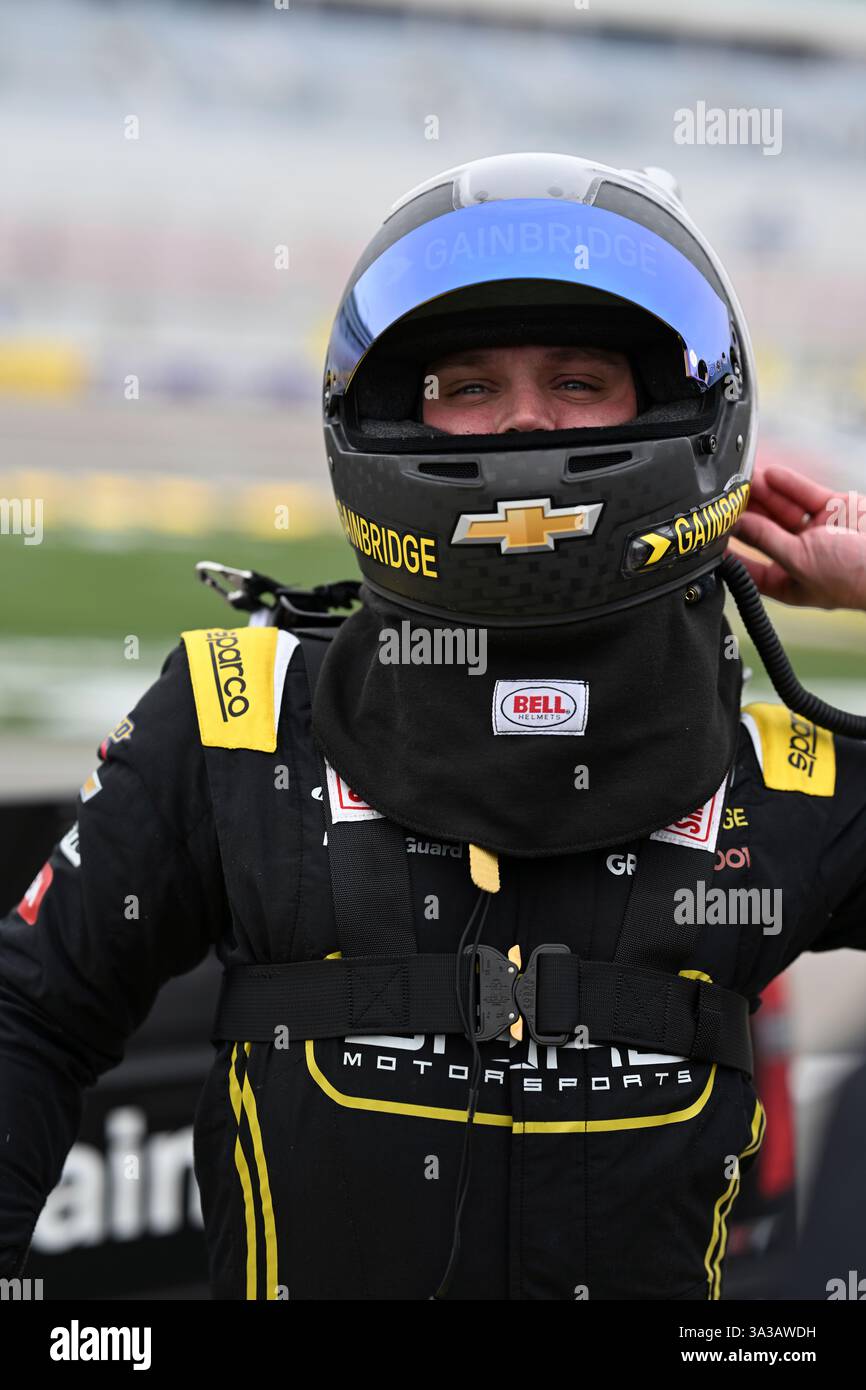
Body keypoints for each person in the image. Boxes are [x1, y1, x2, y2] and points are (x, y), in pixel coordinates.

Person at [1, 152, 865, 1302]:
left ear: (676, 404)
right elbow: (29, 1014)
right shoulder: (237, 725)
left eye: (575, 380)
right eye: (466, 385)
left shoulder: (783, 779)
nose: (519, 423)